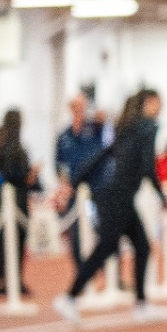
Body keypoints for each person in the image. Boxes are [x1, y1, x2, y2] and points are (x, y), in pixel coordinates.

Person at [56, 89, 167, 321]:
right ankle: (70, 296)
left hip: (116, 196)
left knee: (141, 246)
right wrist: (163, 198)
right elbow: (148, 166)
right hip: (118, 198)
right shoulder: (148, 127)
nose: (162, 107)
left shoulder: (126, 127)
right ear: (149, 103)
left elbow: (100, 155)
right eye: (159, 102)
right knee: (107, 247)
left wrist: (75, 182)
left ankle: (140, 305)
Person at [0, 109, 37, 297]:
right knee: (14, 240)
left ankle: (8, 280)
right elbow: (15, 174)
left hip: (2, 198)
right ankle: (11, 280)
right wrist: (29, 177)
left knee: (4, 241)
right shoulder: (14, 147)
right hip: (14, 198)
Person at [54, 93, 107, 263]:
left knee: (102, 229)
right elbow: (59, 165)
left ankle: (111, 273)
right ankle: (81, 273)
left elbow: (105, 119)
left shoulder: (95, 128)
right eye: (75, 106)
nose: (78, 109)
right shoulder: (63, 136)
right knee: (76, 235)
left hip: (96, 189)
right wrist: (64, 189)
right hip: (74, 192)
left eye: (81, 105)